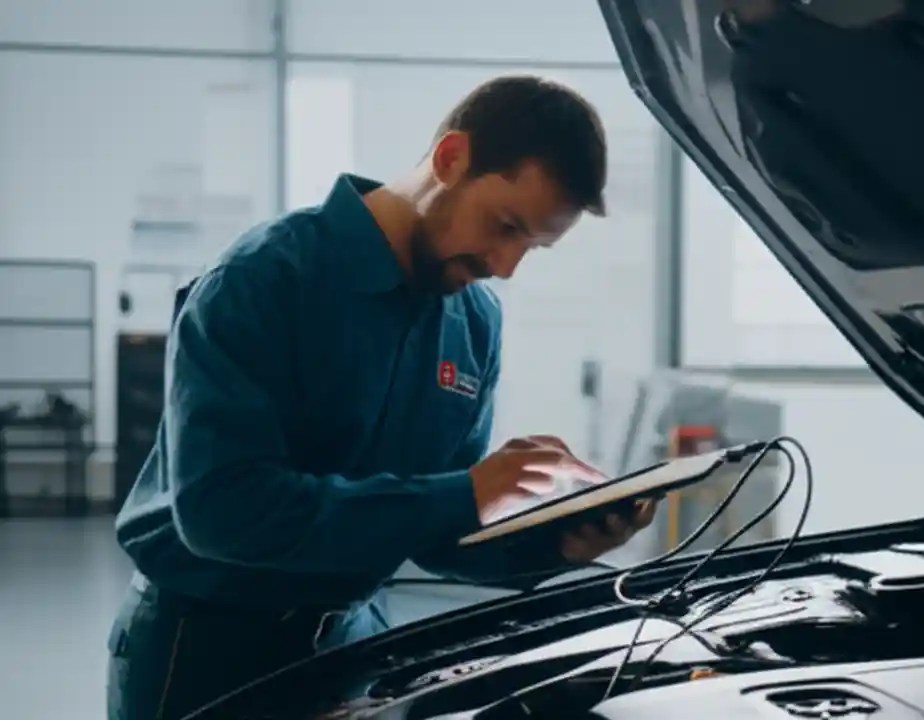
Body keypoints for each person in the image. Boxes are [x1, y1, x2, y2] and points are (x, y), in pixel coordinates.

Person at [107, 74, 655, 720]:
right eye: (505, 226)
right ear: (451, 158)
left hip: (354, 648)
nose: (506, 266)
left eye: (531, 246)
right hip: (205, 655)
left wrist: (557, 544)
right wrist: (465, 493)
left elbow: (435, 537)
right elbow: (223, 513)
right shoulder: (261, 280)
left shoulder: (474, 320)